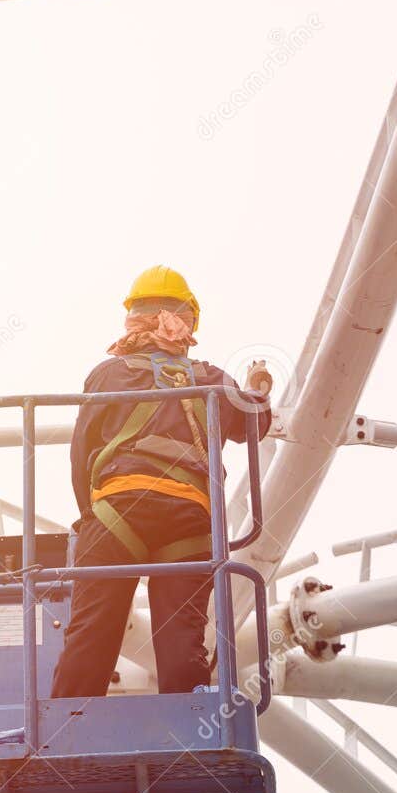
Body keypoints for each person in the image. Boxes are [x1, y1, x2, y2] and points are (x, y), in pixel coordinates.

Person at [49, 265, 271, 699]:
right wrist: (258, 388)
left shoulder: (108, 375)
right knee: (181, 640)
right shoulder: (210, 379)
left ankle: (68, 729)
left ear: (134, 317)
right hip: (190, 519)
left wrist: (90, 516)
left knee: (92, 633)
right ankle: (189, 730)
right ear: (186, 323)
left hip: (119, 509)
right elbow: (253, 423)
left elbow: (81, 455)